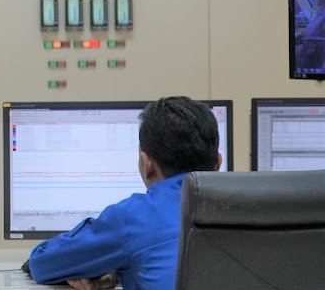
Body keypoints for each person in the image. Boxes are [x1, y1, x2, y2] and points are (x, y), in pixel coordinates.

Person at [27, 96, 222, 290]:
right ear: (218, 164)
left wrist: (108, 266)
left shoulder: (134, 217)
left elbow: (42, 264)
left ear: (147, 165)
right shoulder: (249, 209)